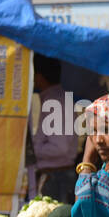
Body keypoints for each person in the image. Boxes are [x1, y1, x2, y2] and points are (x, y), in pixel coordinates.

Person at [26, 55, 78, 203]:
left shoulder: (54, 100)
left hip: (56, 178)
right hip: (60, 176)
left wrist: (30, 151)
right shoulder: (59, 97)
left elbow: (59, 148)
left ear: (38, 76)